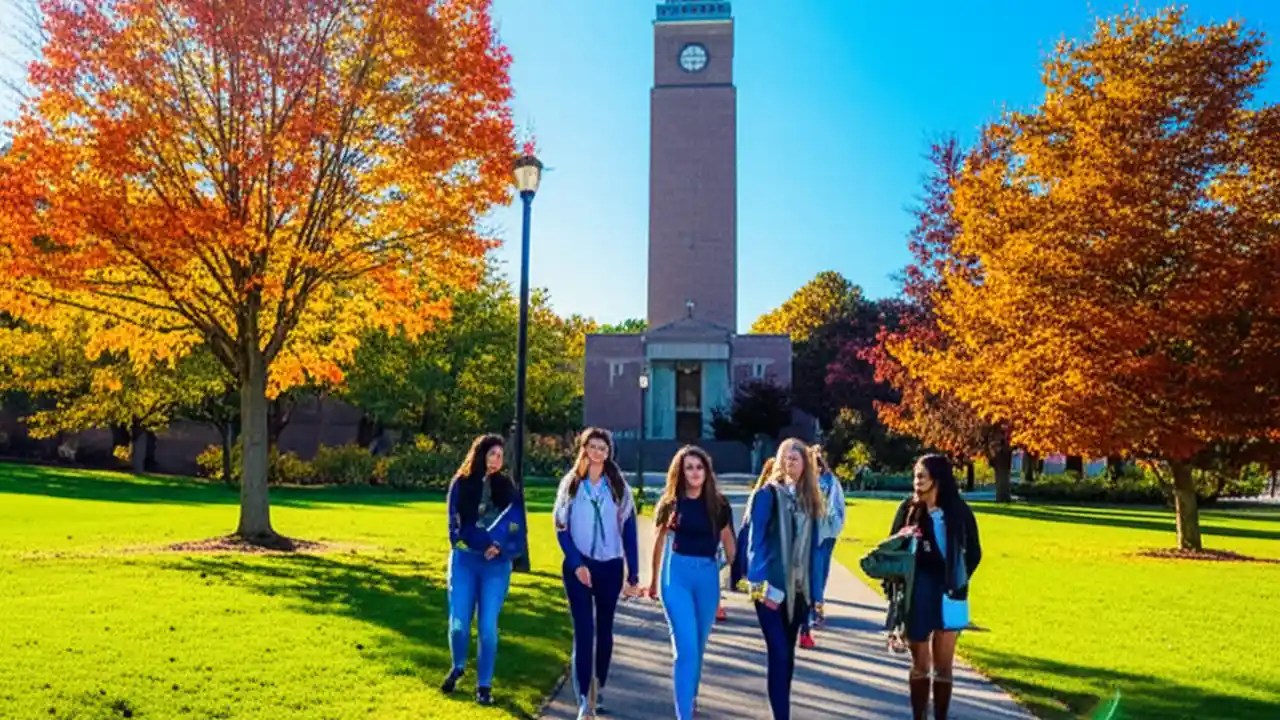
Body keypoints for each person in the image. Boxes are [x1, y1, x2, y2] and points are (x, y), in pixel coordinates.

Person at [552, 428, 641, 719]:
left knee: (604, 630)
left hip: (609, 565)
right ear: (584, 449)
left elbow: (629, 530)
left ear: (608, 452)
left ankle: (598, 686)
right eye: (592, 446)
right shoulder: (571, 484)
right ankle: (583, 700)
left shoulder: (617, 486)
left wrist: (634, 574)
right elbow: (561, 527)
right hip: (578, 566)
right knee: (583, 631)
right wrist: (576, 563)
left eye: (602, 448)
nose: (597, 452)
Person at [890, 454, 983, 720]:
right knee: (920, 664)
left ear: (937, 479)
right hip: (917, 592)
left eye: (922, 476)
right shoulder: (908, 510)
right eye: (915, 476)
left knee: (944, 666)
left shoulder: (958, 511)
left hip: (950, 593)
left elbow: (975, 552)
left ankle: (940, 716)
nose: (916, 482)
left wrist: (959, 578)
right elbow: (892, 550)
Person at [648, 446, 735, 720]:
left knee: (698, 647)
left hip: (707, 577)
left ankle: (690, 699)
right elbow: (658, 542)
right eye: (689, 467)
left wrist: (746, 578)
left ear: (706, 471)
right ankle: (684, 715)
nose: (695, 472)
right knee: (685, 649)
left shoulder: (719, 505)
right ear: (680, 472)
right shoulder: (670, 503)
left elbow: (729, 544)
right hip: (676, 577)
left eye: (699, 467)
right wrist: (652, 580)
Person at [745, 438, 826, 720]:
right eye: (785, 457)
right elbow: (756, 544)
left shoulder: (810, 501)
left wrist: (817, 597)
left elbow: (815, 552)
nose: (790, 462)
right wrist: (761, 585)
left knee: (788, 657)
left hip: (799, 592)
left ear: (806, 463)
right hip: (771, 590)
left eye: (796, 458)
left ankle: (782, 713)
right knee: (778, 653)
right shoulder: (767, 494)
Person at [443, 434, 523, 705]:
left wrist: (498, 546)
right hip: (465, 561)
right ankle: (458, 666)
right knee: (459, 624)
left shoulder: (507, 488)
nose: (496, 460)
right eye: (492, 454)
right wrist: (481, 543)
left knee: (487, 626)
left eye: (500, 455)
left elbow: (516, 527)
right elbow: (455, 528)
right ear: (480, 454)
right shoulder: (461, 484)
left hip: (495, 566)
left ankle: (484, 685)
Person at [799, 447, 846, 648]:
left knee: (819, 571)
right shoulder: (803, 484)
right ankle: (810, 607)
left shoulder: (830, 483)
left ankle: (816, 606)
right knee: (809, 572)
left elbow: (838, 510)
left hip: (824, 535)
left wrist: (830, 526)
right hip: (808, 534)